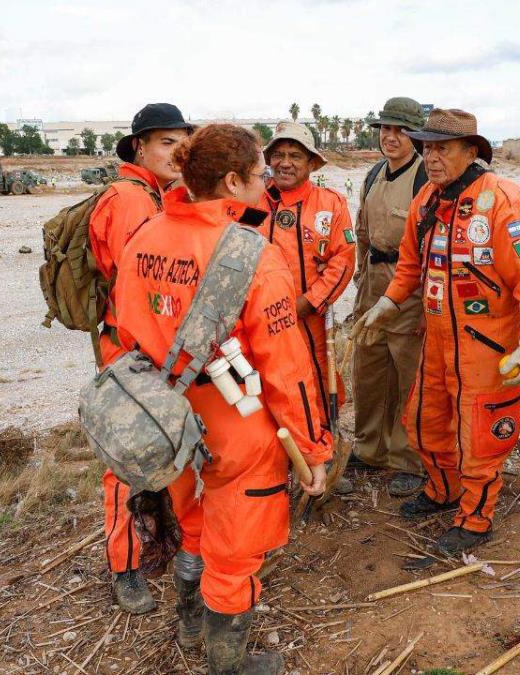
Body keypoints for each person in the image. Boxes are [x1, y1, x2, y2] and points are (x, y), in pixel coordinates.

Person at [111, 123, 331, 673]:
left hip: (167, 421)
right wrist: (314, 449)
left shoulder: (146, 236)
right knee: (234, 550)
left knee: (190, 522)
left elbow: (127, 332)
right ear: (233, 181)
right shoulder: (252, 254)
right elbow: (288, 368)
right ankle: (227, 664)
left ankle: (189, 626)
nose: (266, 184)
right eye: (260, 174)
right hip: (237, 423)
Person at [351, 109, 520, 555]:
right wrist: (385, 304)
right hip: (437, 339)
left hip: (487, 344)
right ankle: (443, 491)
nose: (431, 157)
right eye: (427, 147)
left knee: (479, 434)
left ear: (470, 151)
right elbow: (409, 266)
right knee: (425, 420)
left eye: (441, 148)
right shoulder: (427, 201)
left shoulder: (502, 201)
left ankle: (476, 519)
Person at [93, 103, 195, 614]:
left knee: (158, 452)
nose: (177, 153)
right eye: (166, 143)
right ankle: (125, 567)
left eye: (183, 143)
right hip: (131, 352)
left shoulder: (155, 195)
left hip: (149, 348)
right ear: (139, 147)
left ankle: (156, 543)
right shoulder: (131, 202)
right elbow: (141, 289)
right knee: (127, 462)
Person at [350, 97, 429, 498]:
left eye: (399, 130)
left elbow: (432, 248)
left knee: (408, 379)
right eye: (385, 129)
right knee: (368, 373)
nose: (390, 137)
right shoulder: (373, 175)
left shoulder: (425, 178)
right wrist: (361, 284)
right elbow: (362, 234)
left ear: (415, 134)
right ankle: (368, 449)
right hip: (372, 287)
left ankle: (408, 458)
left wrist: (427, 309)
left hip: (410, 292)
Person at [257, 123, 355, 434]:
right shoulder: (253, 201)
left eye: (295, 156)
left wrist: (308, 302)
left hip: (309, 318)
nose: (285, 163)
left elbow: (343, 259)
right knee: (265, 385)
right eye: (279, 155)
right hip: (258, 319)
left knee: (318, 383)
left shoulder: (331, 203)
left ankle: (322, 450)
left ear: (311, 163)